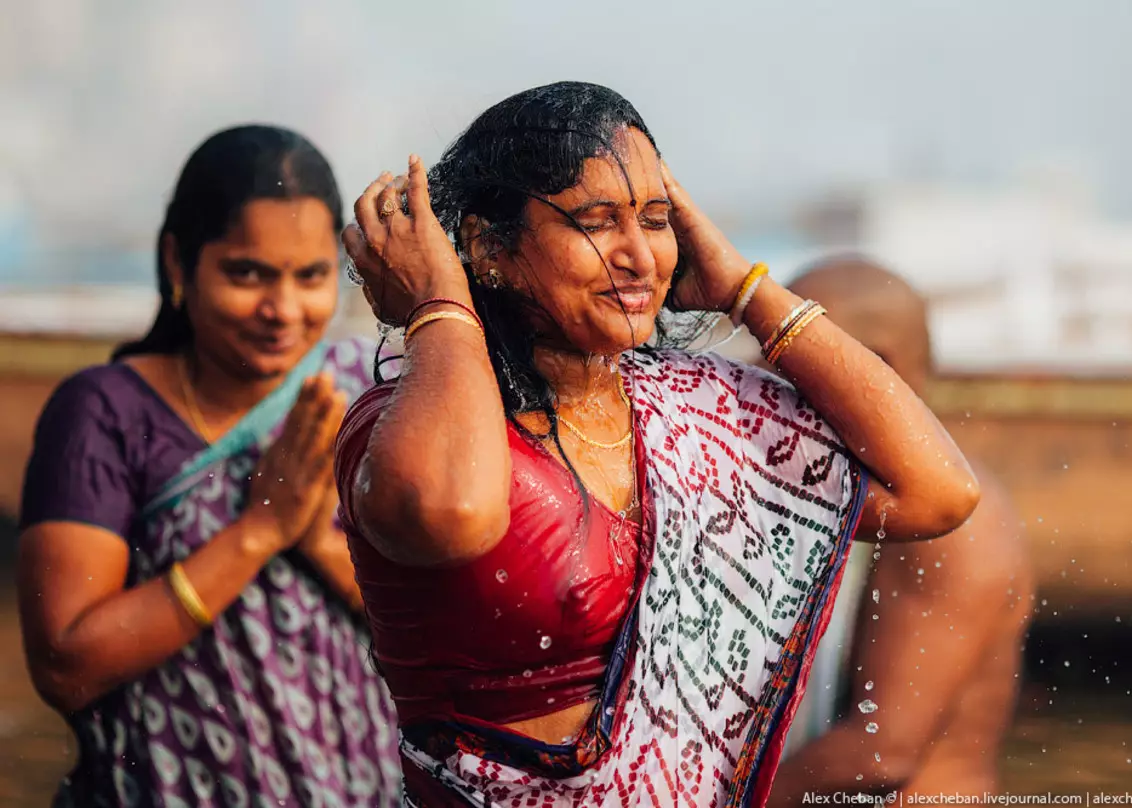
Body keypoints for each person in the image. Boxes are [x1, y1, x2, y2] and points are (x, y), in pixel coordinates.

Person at [335, 82, 980, 807]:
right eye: (597, 221)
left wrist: (745, 286)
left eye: (657, 220)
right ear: (490, 246)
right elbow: (450, 510)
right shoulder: (400, 424)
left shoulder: (702, 413)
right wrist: (442, 304)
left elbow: (937, 491)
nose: (639, 255)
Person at [17, 125, 403, 807]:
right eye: (247, 273)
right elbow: (65, 665)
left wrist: (316, 539)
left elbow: (437, 636)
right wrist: (256, 533)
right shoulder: (107, 414)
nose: (283, 311)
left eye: (310, 276)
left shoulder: (362, 392)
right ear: (178, 262)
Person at [767, 256, 1035, 802]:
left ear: (871, 366)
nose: (758, 383)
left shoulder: (955, 525)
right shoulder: (874, 496)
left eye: (782, 357)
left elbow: (880, 755)